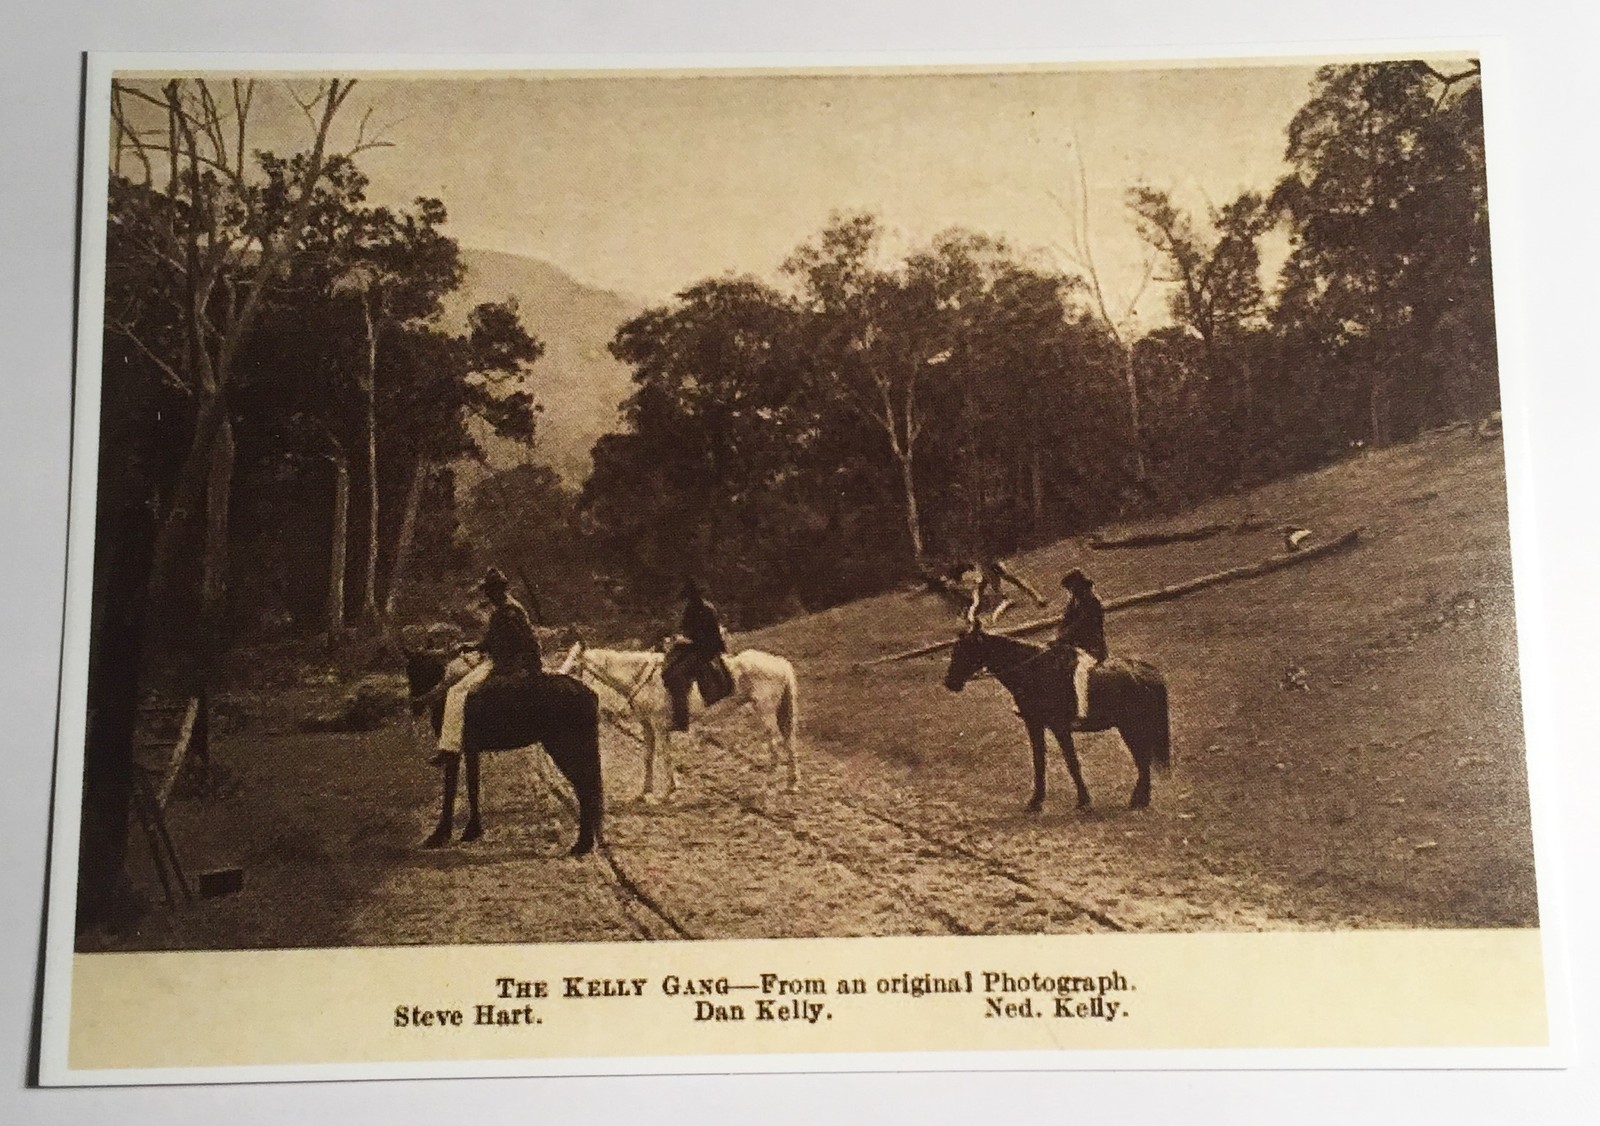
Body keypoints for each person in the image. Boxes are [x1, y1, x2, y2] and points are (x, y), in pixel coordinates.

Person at [434, 567, 540, 764]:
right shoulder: (503, 611)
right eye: (487, 591)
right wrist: (471, 646)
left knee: (457, 691)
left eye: (490, 591)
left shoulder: (510, 612)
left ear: (499, 590)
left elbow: (526, 641)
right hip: (501, 659)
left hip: (506, 664)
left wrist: (526, 667)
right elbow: (492, 641)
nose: (488, 595)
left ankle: (449, 747)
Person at [662, 578, 731, 732]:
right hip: (694, 648)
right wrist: (676, 639)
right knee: (669, 666)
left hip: (706, 650)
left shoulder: (706, 610)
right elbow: (686, 629)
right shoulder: (692, 609)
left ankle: (681, 721)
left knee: (676, 676)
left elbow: (709, 638)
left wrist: (686, 640)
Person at [1051, 568, 1107, 723]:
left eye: (1072, 588)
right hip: (1074, 647)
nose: (1070, 592)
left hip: (1092, 649)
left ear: (1080, 587)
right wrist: (1058, 637)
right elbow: (1065, 622)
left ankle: (1083, 712)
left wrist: (1063, 638)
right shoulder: (1074, 602)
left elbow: (1081, 626)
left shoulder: (1092, 602)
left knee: (1080, 673)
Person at [965, 556, 1048, 626]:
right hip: (987, 566)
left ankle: (987, 620)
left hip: (990, 567)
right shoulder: (983, 576)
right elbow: (978, 598)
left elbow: (1017, 582)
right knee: (983, 597)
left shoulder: (994, 571)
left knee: (1007, 595)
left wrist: (1037, 597)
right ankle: (978, 619)